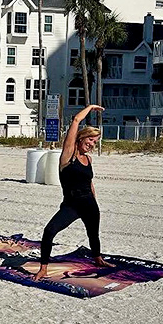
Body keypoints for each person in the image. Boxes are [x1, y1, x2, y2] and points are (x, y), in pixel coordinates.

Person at [33, 104, 110, 281]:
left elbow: (89, 182)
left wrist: (94, 201)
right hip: (71, 205)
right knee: (49, 231)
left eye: (95, 142)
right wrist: (90, 107)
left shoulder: (88, 159)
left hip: (89, 203)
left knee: (93, 234)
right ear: (81, 138)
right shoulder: (68, 155)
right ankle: (43, 268)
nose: (92, 144)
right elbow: (76, 120)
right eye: (90, 140)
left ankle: (97, 258)